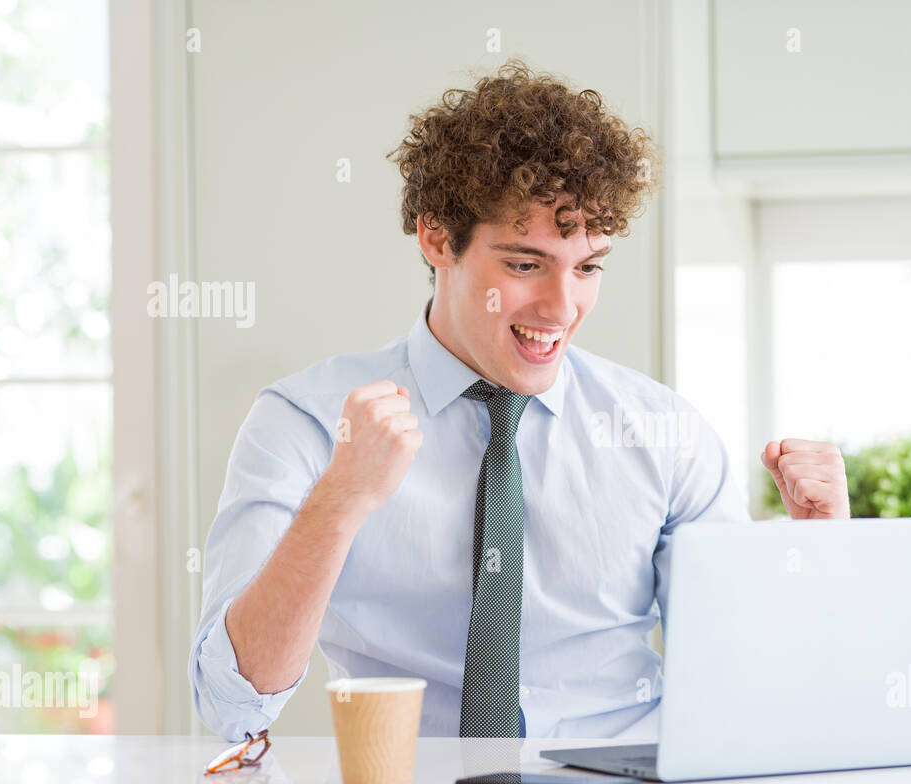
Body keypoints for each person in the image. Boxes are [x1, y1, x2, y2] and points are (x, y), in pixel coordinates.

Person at [189, 58, 848, 742]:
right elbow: (230, 705)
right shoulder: (304, 422)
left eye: (588, 267)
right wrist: (340, 500)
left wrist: (817, 557)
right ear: (437, 236)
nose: (562, 307)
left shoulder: (663, 435)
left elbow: (740, 690)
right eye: (526, 264)